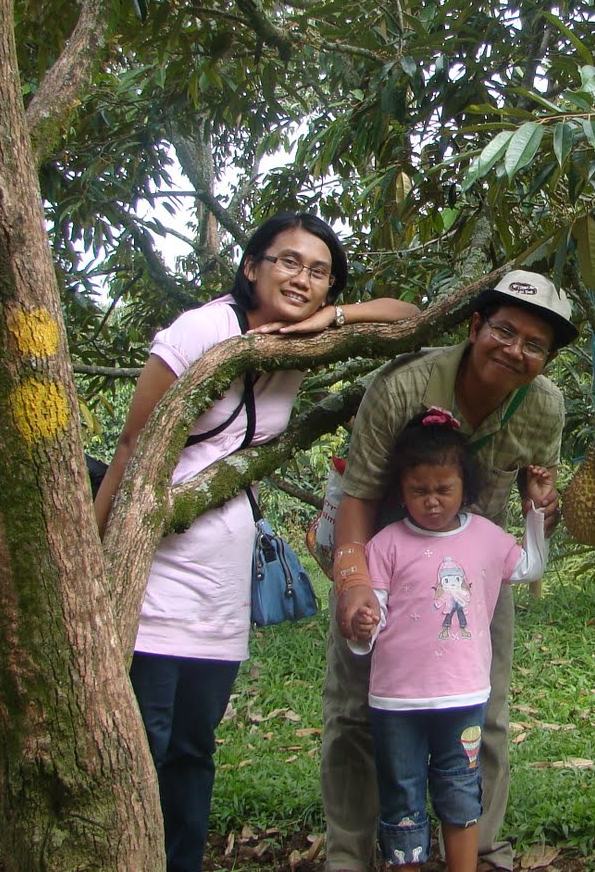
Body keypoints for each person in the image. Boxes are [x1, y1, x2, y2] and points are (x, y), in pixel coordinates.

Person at [93, 211, 417, 872]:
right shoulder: (203, 330)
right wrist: (96, 556)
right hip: (154, 569)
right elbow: (132, 442)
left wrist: (330, 321)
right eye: (288, 261)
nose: (302, 278)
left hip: (219, 582)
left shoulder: (299, 340)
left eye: (319, 271)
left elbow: (411, 317)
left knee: (193, 746)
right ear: (251, 267)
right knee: (142, 743)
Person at [322, 269, 578, 872]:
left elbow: (539, 501)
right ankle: (350, 858)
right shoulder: (405, 387)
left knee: (482, 710)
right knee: (358, 711)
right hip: (388, 547)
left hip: (473, 563)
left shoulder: (544, 408)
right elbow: (358, 494)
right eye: (504, 331)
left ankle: (480, 851)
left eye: (535, 345)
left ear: (546, 359)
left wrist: (545, 506)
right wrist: (355, 579)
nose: (515, 351)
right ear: (474, 327)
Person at [346, 409, 552, 872]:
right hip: (396, 703)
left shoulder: (486, 537)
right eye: (420, 491)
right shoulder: (386, 544)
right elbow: (370, 614)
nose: (432, 501)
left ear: (465, 486)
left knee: (461, 789)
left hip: (463, 698)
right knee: (401, 795)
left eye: (444, 489)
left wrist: (534, 510)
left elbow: (530, 568)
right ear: (401, 491)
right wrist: (361, 628)